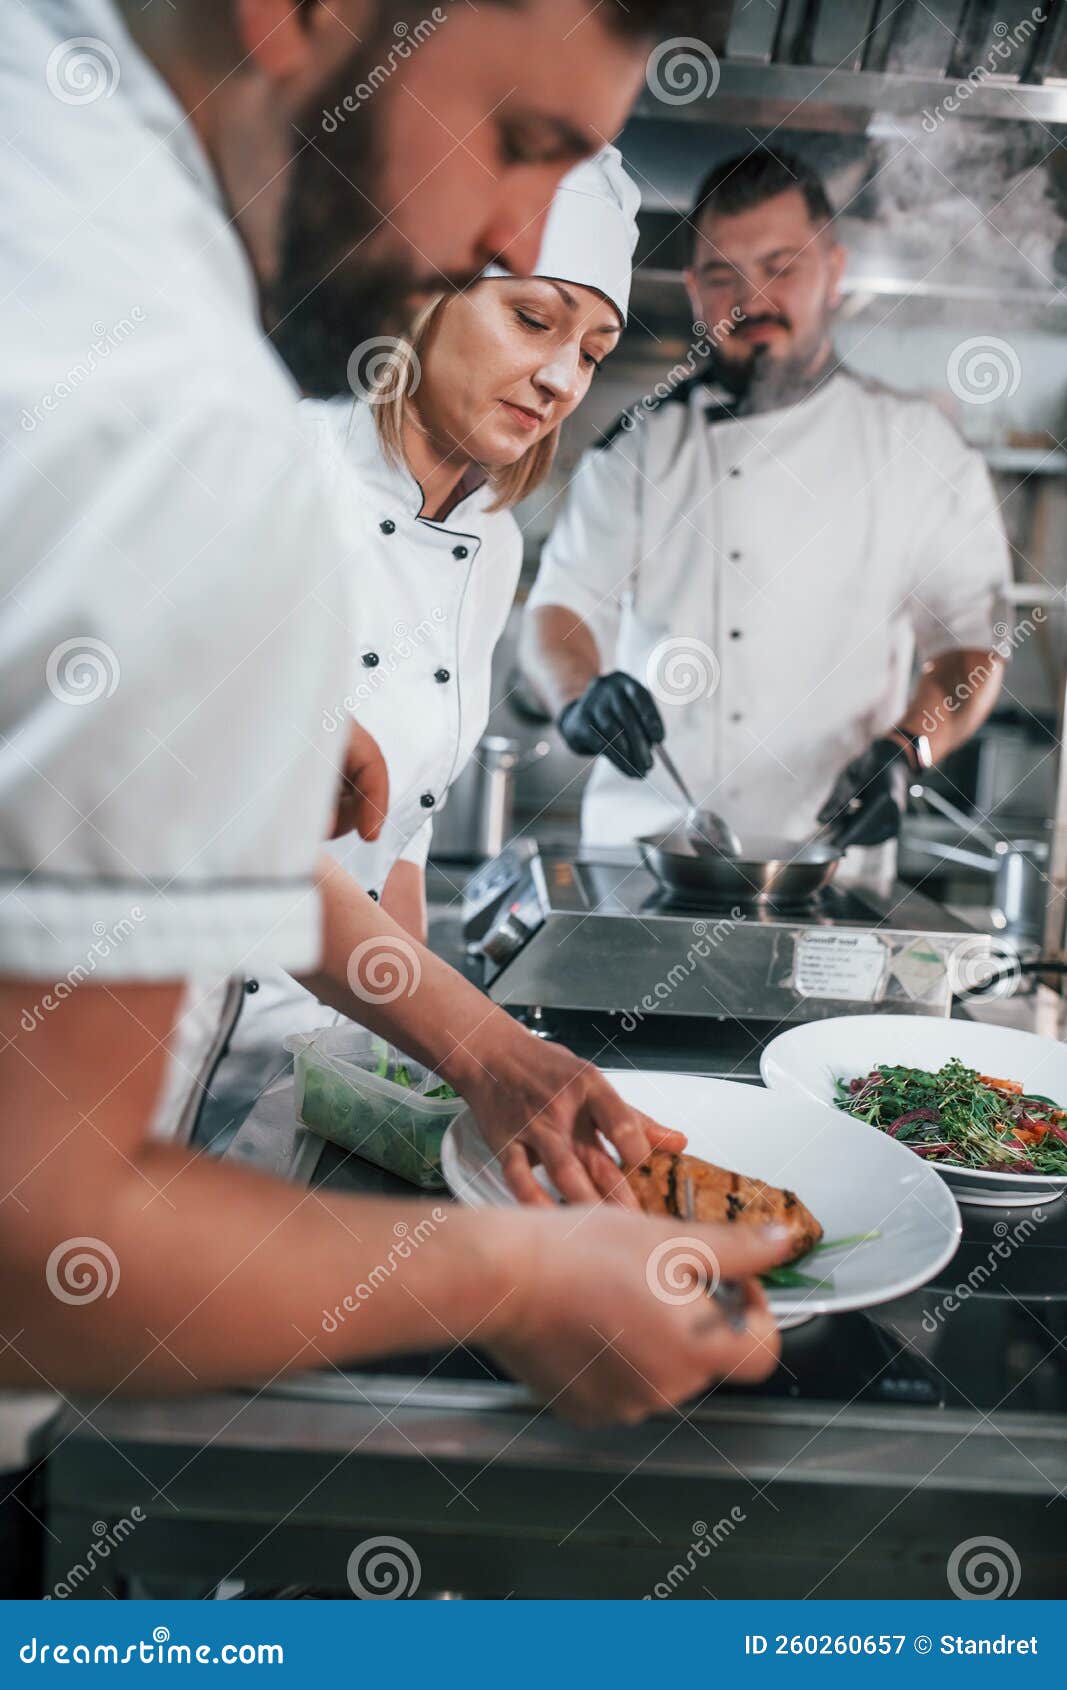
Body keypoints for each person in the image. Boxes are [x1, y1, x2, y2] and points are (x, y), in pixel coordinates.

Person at [0, 0, 791, 1419]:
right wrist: (526, 1279)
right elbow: (30, 1253)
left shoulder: (52, 144)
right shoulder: (189, 412)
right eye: (514, 141)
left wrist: (473, 1054)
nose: (498, 232)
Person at [191, 147, 641, 1153]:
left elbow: (399, 842)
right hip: (144, 1049)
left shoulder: (492, 543)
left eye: (595, 350)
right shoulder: (276, 464)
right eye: (532, 319)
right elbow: (228, 834)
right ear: (428, 296)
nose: (563, 377)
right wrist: (478, 1050)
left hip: (307, 1076)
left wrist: (410, 1068)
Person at [520, 148, 1011, 886]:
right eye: (722, 275)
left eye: (782, 265)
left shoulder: (917, 451)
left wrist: (911, 749)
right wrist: (578, 697)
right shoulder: (640, 448)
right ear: (692, 291)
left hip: (825, 865)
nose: (751, 298)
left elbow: (970, 646)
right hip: (640, 856)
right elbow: (557, 611)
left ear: (834, 271)